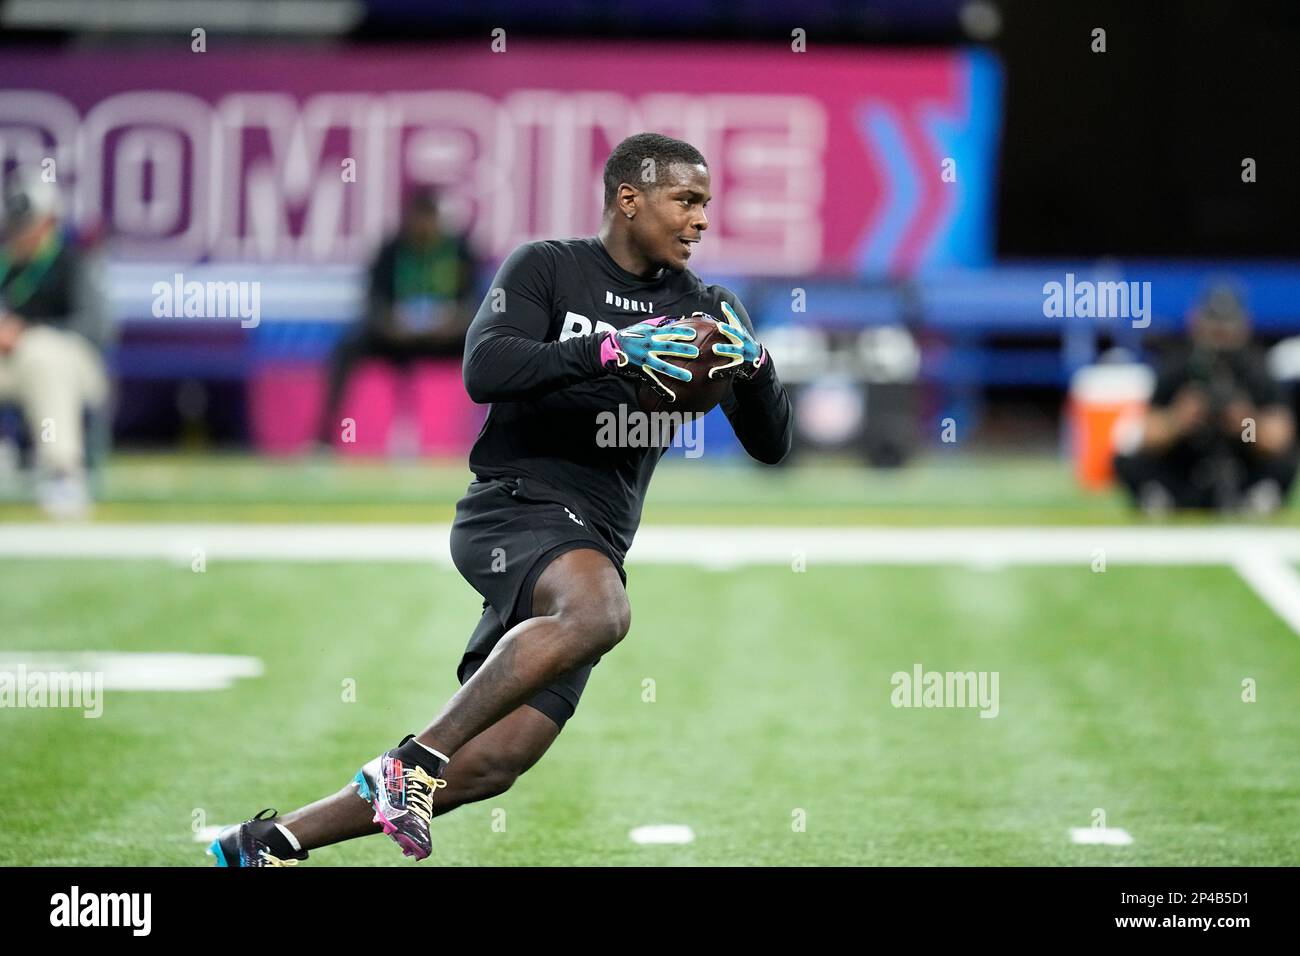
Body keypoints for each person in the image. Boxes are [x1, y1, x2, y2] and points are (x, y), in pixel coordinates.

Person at [211, 132, 793, 866]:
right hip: (514, 504)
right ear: (629, 196)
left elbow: (772, 449)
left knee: (491, 762)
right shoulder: (549, 267)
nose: (701, 220)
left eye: (706, 204)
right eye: (686, 199)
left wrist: (760, 366)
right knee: (600, 613)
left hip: (597, 536)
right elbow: (484, 367)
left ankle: (265, 843)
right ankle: (410, 765)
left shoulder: (705, 306)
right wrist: (611, 348)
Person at [1113, 285, 1297, 515]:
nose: (1219, 333)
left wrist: (1246, 425)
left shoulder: (1257, 369)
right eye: (1214, 323)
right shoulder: (1177, 366)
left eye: (1227, 324)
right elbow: (1144, 435)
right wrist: (1178, 421)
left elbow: (1281, 438)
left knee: (1286, 463)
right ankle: (1164, 501)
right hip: (1185, 466)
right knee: (1127, 460)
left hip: (1240, 464)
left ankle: (1255, 501)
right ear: (1197, 321)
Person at [316, 188, 477, 446]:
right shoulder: (392, 250)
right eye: (419, 220)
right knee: (348, 347)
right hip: (396, 337)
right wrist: (388, 324)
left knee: (493, 349)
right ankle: (322, 440)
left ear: (438, 221)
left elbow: (475, 301)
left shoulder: (459, 250)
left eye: (430, 220)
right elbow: (373, 300)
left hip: (446, 338)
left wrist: (456, 323)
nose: (424, 227)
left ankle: (498, 440)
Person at [0, 167, 110, 519]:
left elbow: (95, 327)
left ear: (48, 222)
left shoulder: (73, 262)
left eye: (28, 224)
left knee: (41, 354)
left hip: (70, 364)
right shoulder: (6, 263)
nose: (20, 233)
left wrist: (27, 332)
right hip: (11, 368)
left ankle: (63, 471)